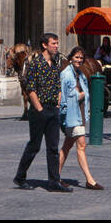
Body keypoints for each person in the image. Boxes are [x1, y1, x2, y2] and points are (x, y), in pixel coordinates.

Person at [13, 32, 69, 192]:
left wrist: (58, 102)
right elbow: (30, 88)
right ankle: (20, 177)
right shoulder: (36, 64)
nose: (57, 46)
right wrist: (39, 108)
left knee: (53, 147)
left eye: (57, 43)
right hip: (40, 110)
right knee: (34, 146)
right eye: (54, 43)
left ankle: (54, 181)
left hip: (53, 109)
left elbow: (58, 85)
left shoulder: (55, 63)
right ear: (45, 45)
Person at [58, 47, 103, 190]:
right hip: (72, 115)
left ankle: (55, 176)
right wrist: (81, 95)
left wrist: (82, 95)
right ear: (71, 58)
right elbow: (70, 96)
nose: (79, 60)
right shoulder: (67, 74)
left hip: (80, 113)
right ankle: (90, 180)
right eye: (76, 57)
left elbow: (83, 93)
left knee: (66, 147)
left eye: (81, 58)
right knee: (82, 145)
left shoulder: (80, 74)